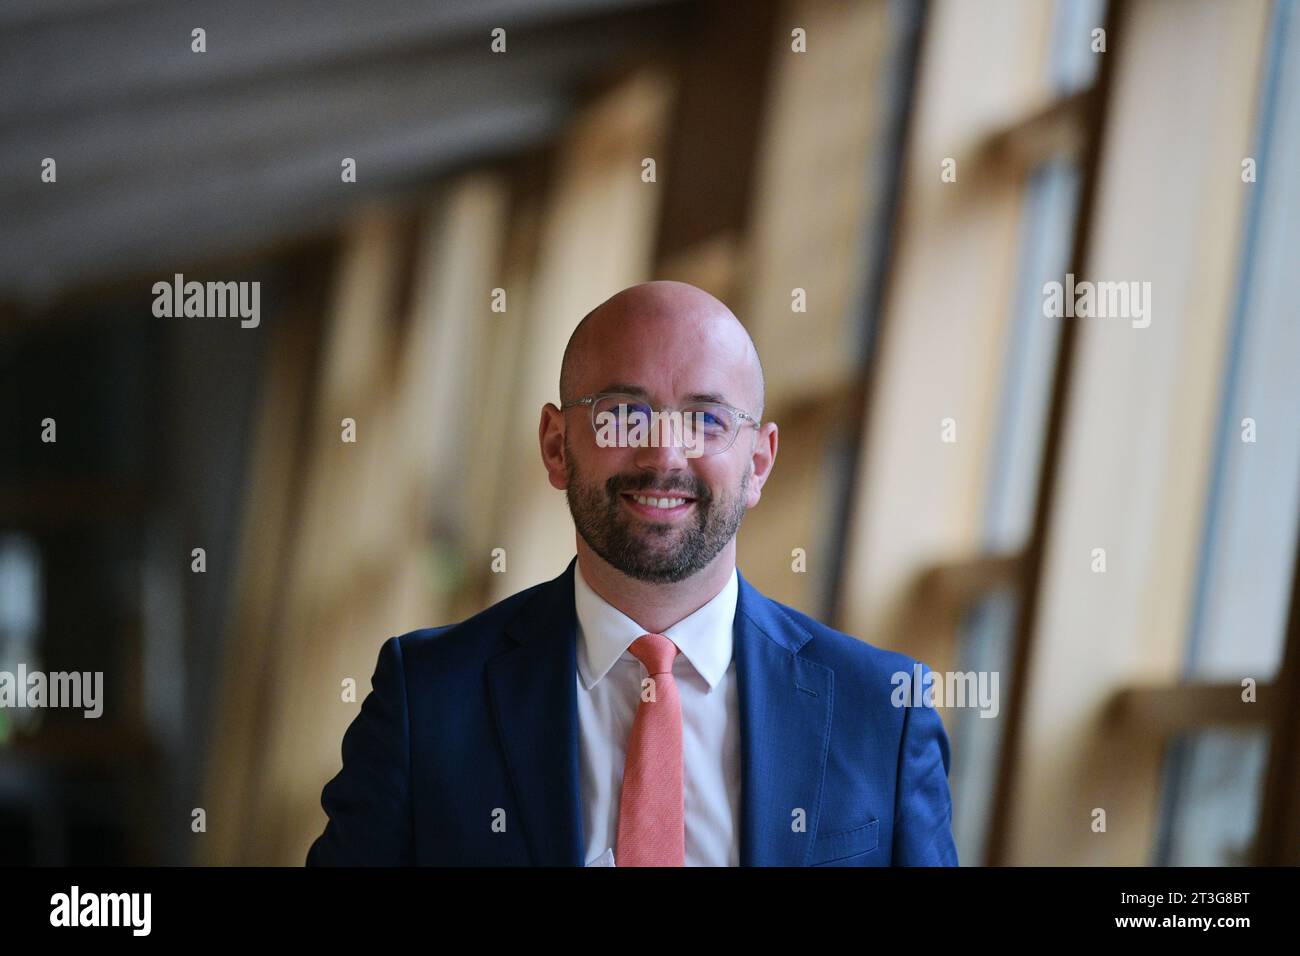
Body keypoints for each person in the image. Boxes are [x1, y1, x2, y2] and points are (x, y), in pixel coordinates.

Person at [306, 280, 958, 866]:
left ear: (758, 463)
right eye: (625, 414)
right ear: (557, 447)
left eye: (706, 420)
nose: (664, 455)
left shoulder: (882, 710)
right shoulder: (429, 699)